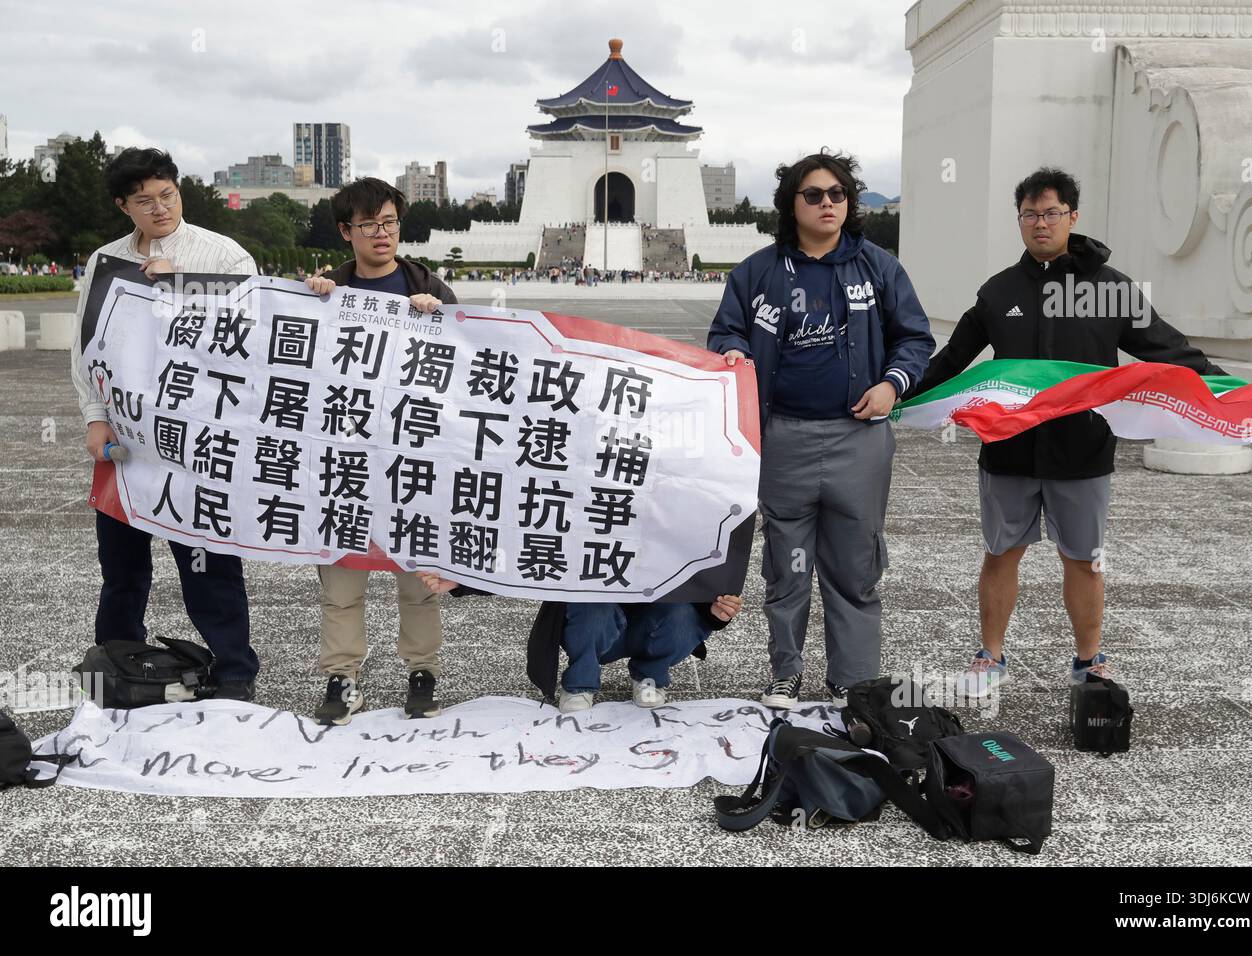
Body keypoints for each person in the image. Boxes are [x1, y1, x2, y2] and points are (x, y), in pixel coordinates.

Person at [918, 167, 1227, 698]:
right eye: (1031, 214)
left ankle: (1089, 661)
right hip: (1009, 451)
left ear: (1073, 217)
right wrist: (899, 394)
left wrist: (1219, 384)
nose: (1041, 223)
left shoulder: (1109, 290)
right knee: (1000, 553)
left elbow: (1162, 344)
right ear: (1019, 220)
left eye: (1052, 212)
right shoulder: (999, 292)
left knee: (1084, 560)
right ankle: (989, 657)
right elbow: (951, 360)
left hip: (1083, 451)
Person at [708, 149, 934, 709]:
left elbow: (916, 338)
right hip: (782, 437)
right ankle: (786, 671)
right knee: (787, 564)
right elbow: (724, 333)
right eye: (814, 194)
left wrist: (893, 384)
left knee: (855, 565)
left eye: (837, 194)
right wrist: (736, 353)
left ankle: (853, 679)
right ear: (792, 204)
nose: (828, 203)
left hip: (859, 439)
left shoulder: (878, 266)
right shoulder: (757, 271)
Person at [71, 147, 261, 700]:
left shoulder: (222, 255)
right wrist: (94, 416)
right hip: (126, 437)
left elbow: (251, 338)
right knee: (122, 569)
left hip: (197, 438)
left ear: (180, 191)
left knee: (208, 564)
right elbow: (86, 348)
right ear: (123, 205)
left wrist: (182, 288)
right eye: (144, 201)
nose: (159, 208)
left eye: (167, 195)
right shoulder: (106, 262)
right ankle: (115, 663)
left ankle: (233, 672)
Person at [304, 177, 456, 725]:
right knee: (342, 580)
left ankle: (423, 672)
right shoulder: (325, 293)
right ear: (346, 232)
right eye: (368, 225)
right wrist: (310, 303)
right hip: (344, 460)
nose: (382, 234)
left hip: (413, 457)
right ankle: (342, 678)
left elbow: (468, 365)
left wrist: (438, 316)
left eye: (389, 222)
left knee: (418, 578)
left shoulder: (429, 286)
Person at [416, 573, 742, 711]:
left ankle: (650, 674)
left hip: (657, 619)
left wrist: (718, 612)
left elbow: (710, 574)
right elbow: (525, 559)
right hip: (597, 620)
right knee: (590, 604)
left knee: (684, 618)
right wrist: (462, 579)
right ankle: (580, 682)